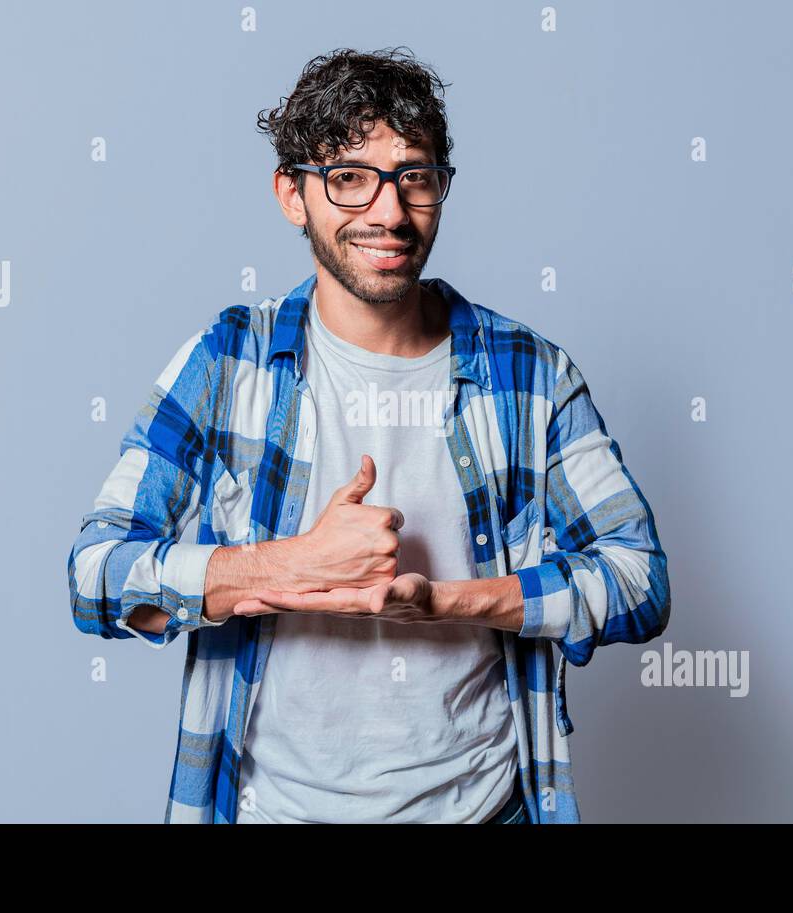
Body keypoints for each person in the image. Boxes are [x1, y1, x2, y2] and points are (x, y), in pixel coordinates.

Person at [67, 47, 671, 824]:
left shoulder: (529, 374)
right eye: (350, 177)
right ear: (293, 194)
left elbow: (639, 580)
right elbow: (96, 575)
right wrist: (288, 564)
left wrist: (455, 602)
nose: (388, 211)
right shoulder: (228, 361)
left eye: (413, 175)